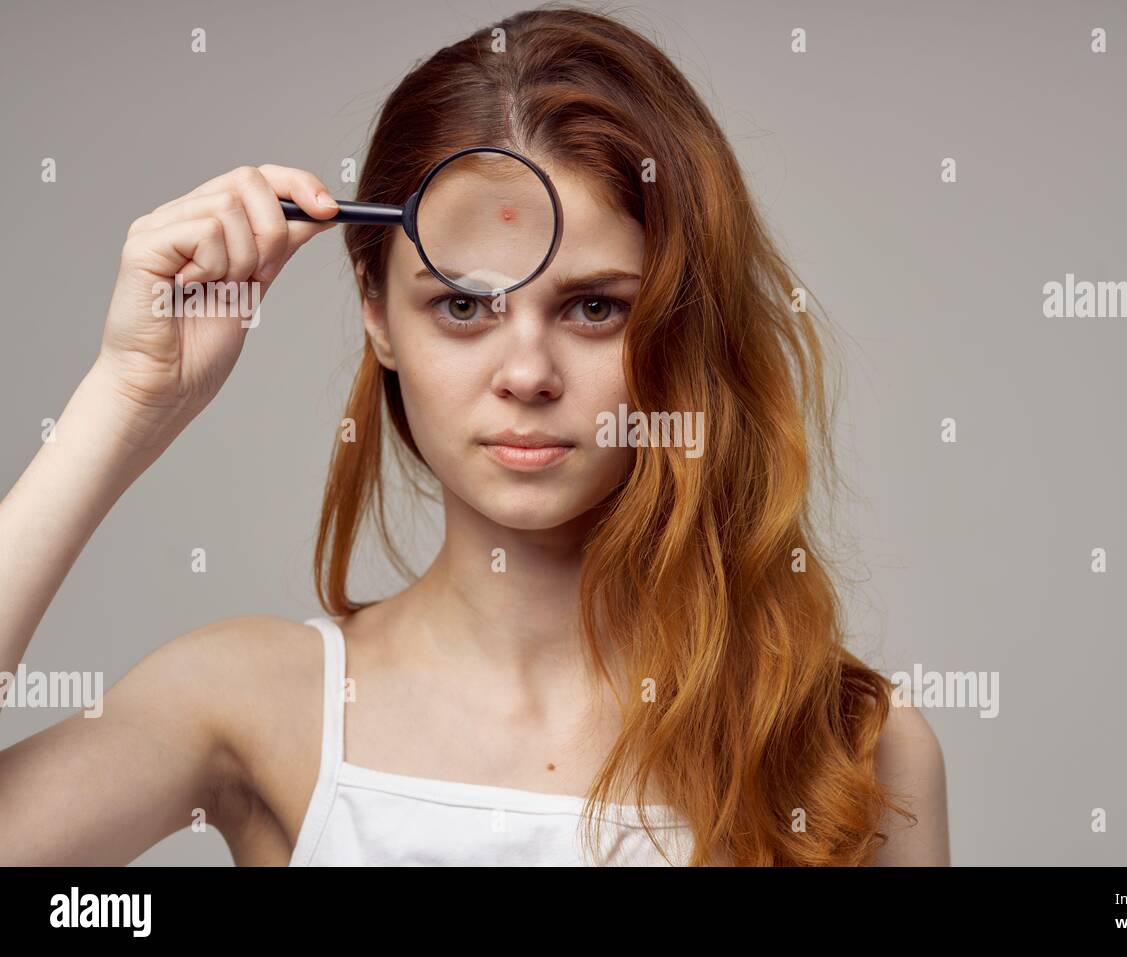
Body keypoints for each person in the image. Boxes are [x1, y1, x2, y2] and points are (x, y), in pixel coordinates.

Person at [0, 5, 948, 866]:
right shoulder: (248, 700)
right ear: (377, 314)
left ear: (681, 321)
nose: (527, 372)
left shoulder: (848, 740)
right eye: (462, 303)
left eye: (592, 307)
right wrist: (124, 400)